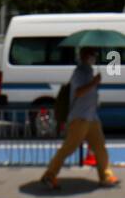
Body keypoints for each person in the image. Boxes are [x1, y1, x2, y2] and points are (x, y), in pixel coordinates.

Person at [40, 46, 119, 190]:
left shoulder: (89, 72)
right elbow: (78, 92)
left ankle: (106, 176)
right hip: (80, 118)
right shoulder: (79, 72)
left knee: (100, 147)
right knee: (68, 148)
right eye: (92, 54)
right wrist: (94, 83)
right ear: (84, 56)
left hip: (91, 117)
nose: (94, 57)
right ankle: (49, 175)